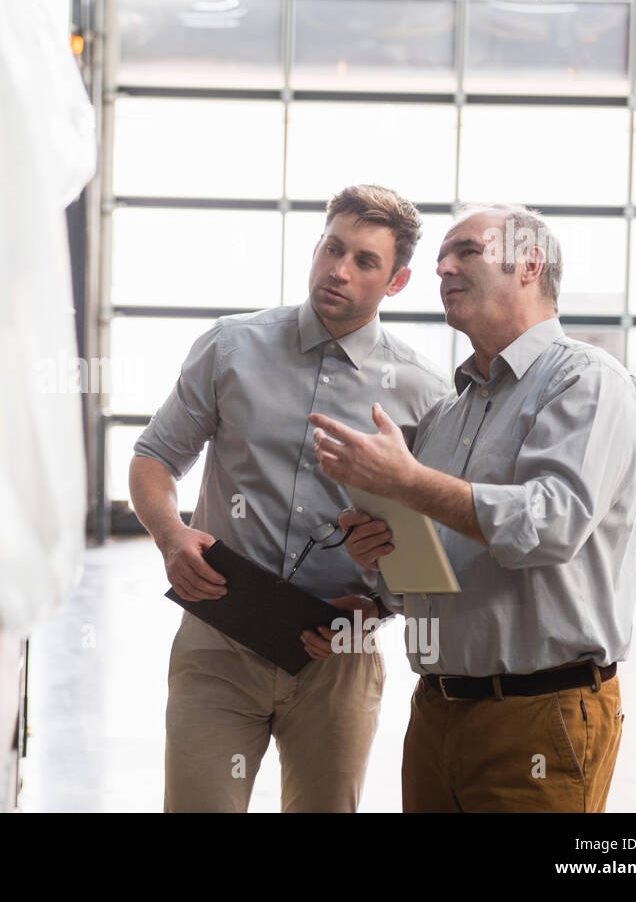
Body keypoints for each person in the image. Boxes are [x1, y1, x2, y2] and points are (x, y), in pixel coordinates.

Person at [306, 204, 636, 812]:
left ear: (530, 264)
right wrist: (382, 565)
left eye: (466, 251)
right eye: (442, 256)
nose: (442, 267)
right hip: (437, 709)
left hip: (541, 715)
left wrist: (409, 482)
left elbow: (551, 524)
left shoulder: (588, 383)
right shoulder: (448, 414)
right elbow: (437, 570)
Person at [129, 184, 450, 812]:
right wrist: (171, 535)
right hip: (219, 634)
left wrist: (379, 609)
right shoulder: (230, 347)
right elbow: (154, 457)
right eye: (333, 248)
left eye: (365, 260)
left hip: (339, 652)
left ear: (398, 281)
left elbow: (427, 542)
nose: (339, 270)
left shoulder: (424, 394)